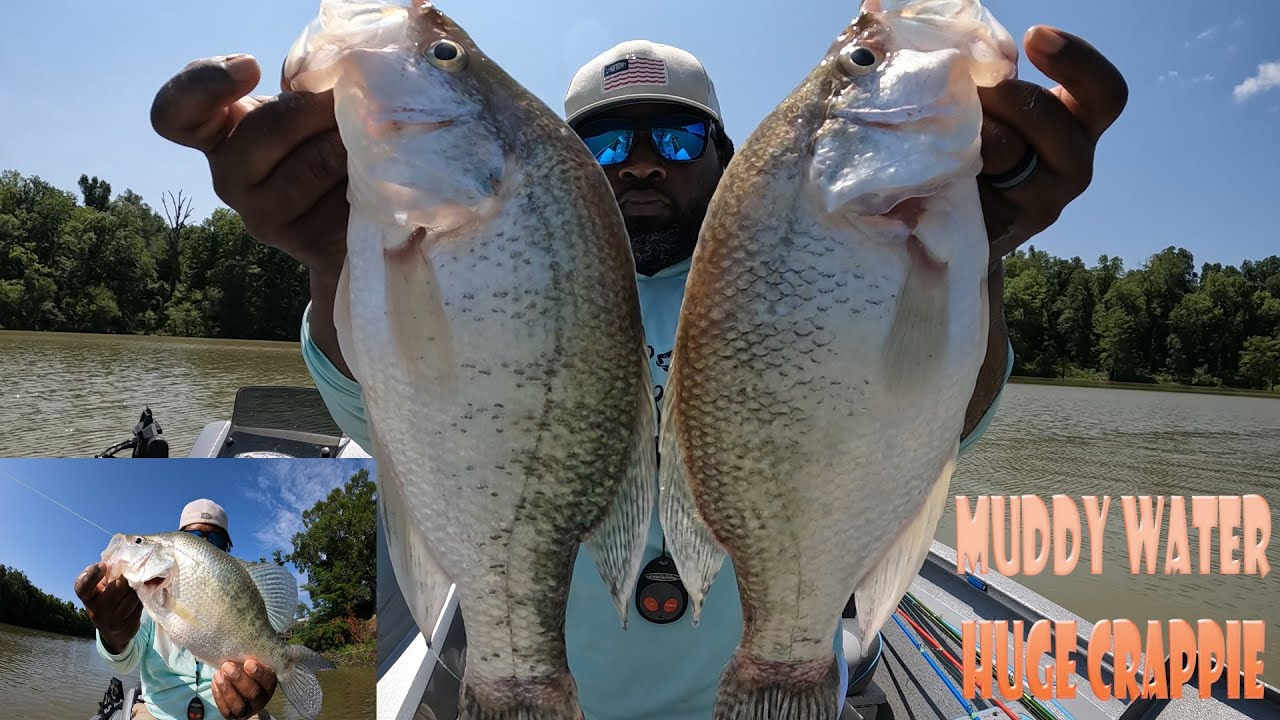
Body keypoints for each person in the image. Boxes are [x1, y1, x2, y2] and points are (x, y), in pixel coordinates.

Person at [149, 21, 1126, 720]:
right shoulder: (475, 275)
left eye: (676, 137)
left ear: (732, 158)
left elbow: (935, 411)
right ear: (565, 164)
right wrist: (336, 262)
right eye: (606, 141)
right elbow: (399, 404)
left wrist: (973, 257)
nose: (642, 163)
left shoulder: (798, 280)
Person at [74, 500, 278, 720]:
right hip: (157, 713)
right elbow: (125, 661)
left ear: (227, 549)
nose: (207, 544)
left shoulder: (244, 597)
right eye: (195, 537)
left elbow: (262, 658)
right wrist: (112, 636)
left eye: (216, 539)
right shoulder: (148, 596)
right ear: (181, 544)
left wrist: (262, 685)